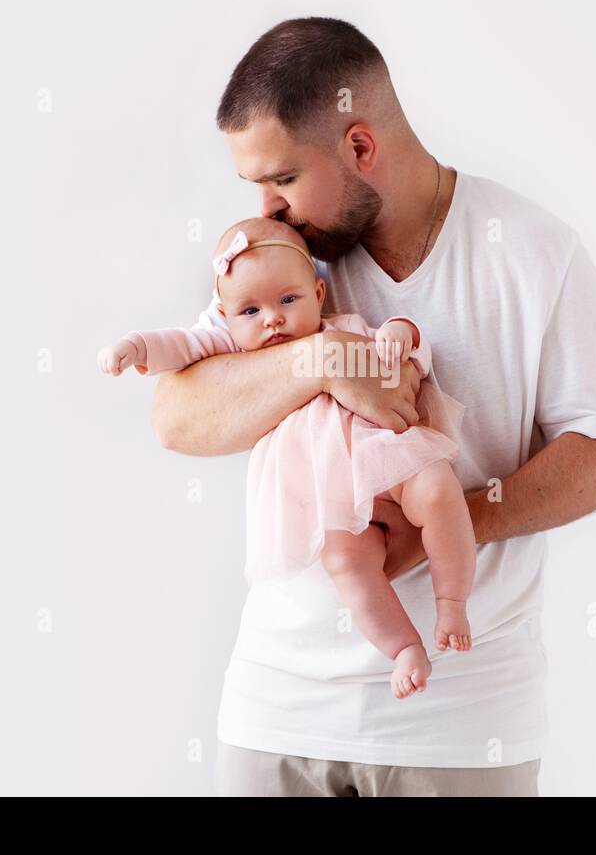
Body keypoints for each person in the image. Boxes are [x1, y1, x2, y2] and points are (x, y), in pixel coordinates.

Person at [152, 17, 596, 796]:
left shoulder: (530, 251)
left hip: (461, 723)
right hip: (275, 710)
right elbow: (177, 418)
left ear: (358, 147)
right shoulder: (281, 270)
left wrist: (448, 524)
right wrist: (321, 360)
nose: (266, 210)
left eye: (280, 179)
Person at [98, 216, 477, 698]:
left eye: (288, 300)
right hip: (329, 490)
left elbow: (411, 349)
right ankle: (403, 648)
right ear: (225, 318)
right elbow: (184, 345)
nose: (272, 318)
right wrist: (137, 347)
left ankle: (452, 602)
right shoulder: (238, 353)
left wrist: (399, 335)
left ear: (318, 294)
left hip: (388, 453)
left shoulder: (344, 329)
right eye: (250, 311)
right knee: (346, 561)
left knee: (439, 490)